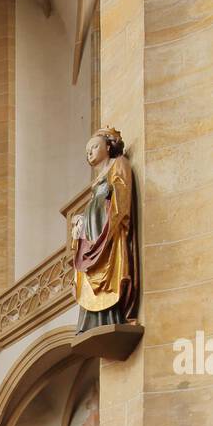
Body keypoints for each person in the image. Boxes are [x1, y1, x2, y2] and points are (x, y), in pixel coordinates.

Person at [72, 127, 138, 333]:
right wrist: (81, 219)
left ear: (108, 146)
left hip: (109, 233)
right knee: (88, 272)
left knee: (110, 271)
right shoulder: (96, 180)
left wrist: (108, 193)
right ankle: (93, 320)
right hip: (93, 232)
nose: (89, 153)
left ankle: (113, 315)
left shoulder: (119, 164)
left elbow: (121, 195)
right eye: (87, 151)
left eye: (94, 147)